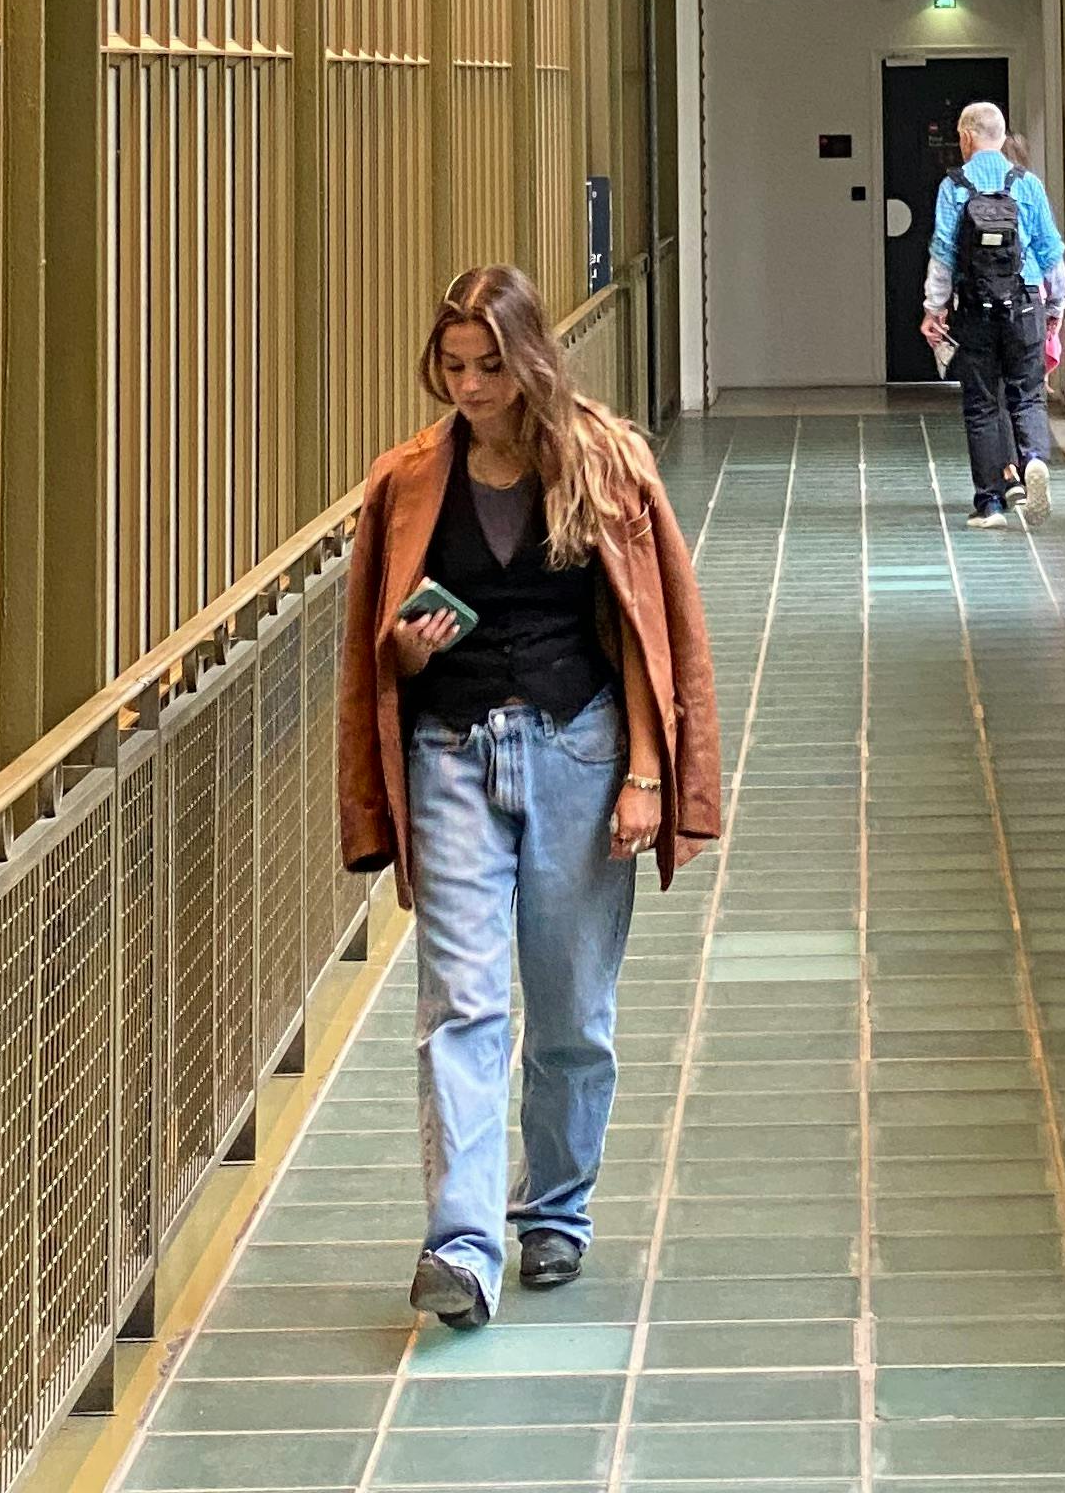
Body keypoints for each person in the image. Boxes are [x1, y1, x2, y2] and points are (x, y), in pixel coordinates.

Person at [336, 264, 720, 1333]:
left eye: (490, 367)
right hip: (452, 752)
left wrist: (646, 774)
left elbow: (643, 631)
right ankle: (461, 1247)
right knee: (462, 1003)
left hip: (578, 750)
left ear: (531, 359)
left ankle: (555, 1210)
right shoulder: (408, 481)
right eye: (453, 367)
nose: (470, 387)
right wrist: (408, 652)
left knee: (570, 1014)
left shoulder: (602, 462)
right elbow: (375, 648)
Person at [918, 101, 1065, 528]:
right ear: (1001, 137)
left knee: (982, 403)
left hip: (975, 307)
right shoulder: (1027, 184)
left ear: (966, 137)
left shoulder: (954, 187)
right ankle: (1033, 459)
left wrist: (933, 309)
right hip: (1025, 302)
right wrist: (1055, 306)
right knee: (1028, 394)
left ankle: (990, 504)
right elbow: (1051, 252)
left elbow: (943, 254)